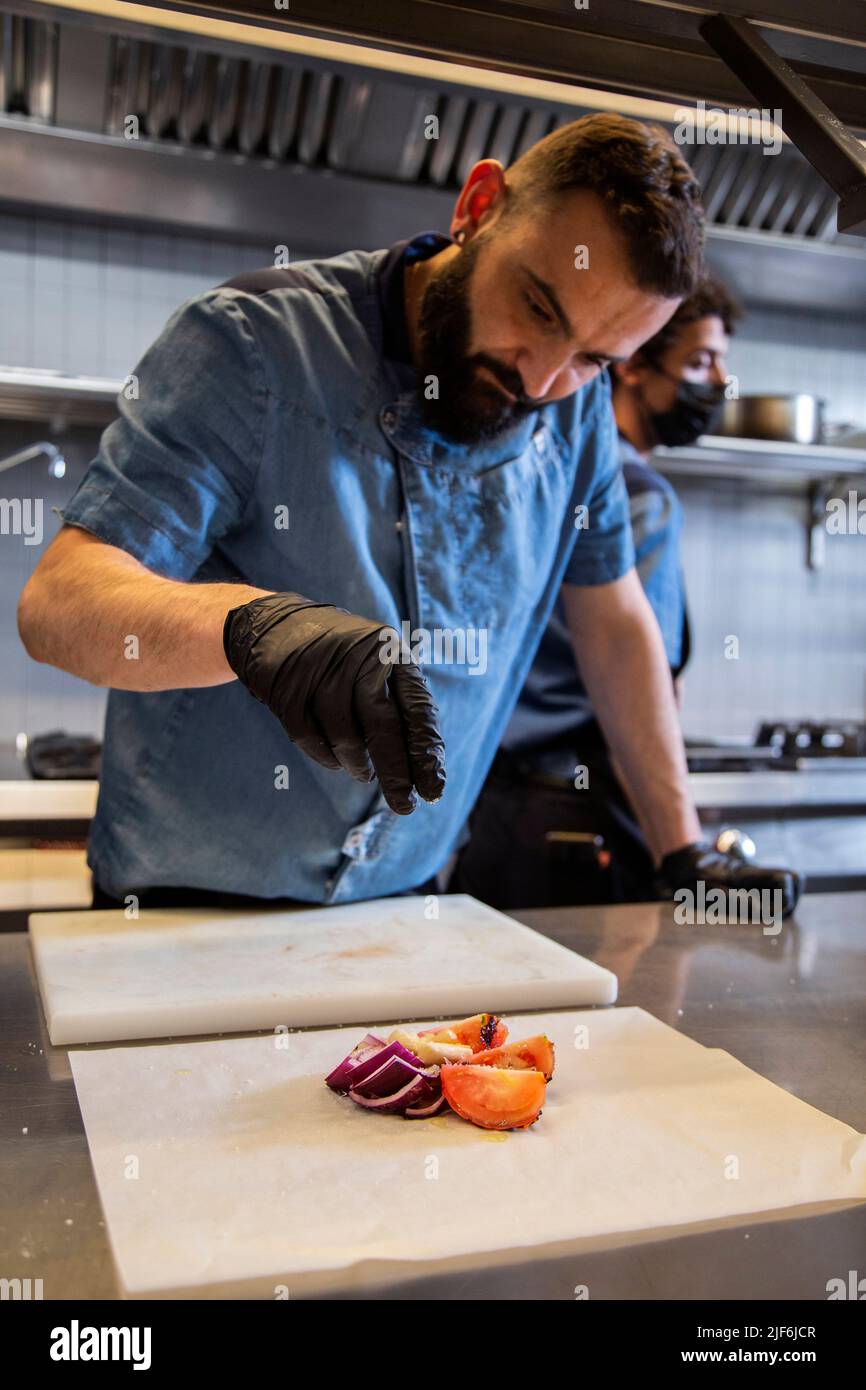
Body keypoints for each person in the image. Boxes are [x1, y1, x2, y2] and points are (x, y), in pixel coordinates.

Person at [16, 113, 799, 917]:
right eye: (537, 307)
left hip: (406, 910)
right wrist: (250, 631)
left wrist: (684, 850)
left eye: (596, 359)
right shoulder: (253, 346)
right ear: (479, 205)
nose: (540, 380)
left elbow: (615, 624)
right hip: (185, 905)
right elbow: (59, 604)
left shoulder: (576, 411)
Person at [450, 277, 746, 910]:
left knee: (500, 1006)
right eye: (699, 361)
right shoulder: (640, 498)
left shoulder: (531, 466)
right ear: (634, 361)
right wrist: (681, 851)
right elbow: (647, 685)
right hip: (588, 814)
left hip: (498, 809)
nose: (719, 383)